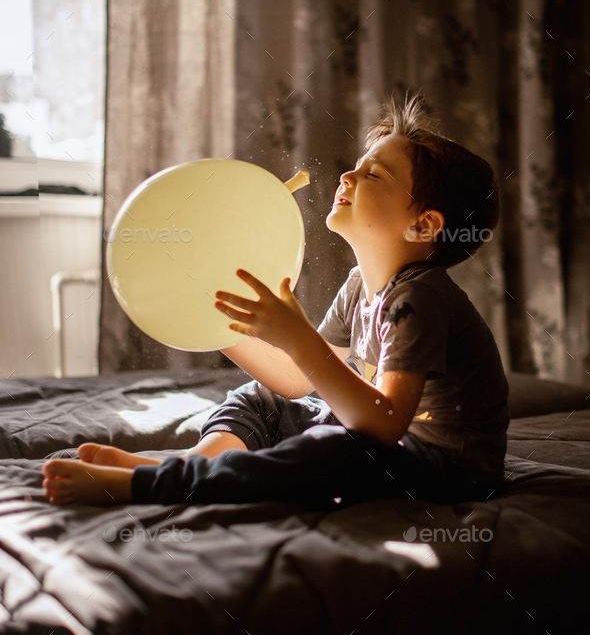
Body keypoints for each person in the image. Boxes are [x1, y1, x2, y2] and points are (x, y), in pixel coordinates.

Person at [43, 92, 509, 508]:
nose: (348, 173)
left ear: (424, 226)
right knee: (263, 400)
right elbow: (293, 380)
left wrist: (298, 336)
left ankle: (156, 485)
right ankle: (193, 461)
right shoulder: (358, 286)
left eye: (374, 173)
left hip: (447, 472)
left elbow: (385, 424)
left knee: (330, 448)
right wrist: (212, 319)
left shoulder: (420, 298)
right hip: (391, 444)